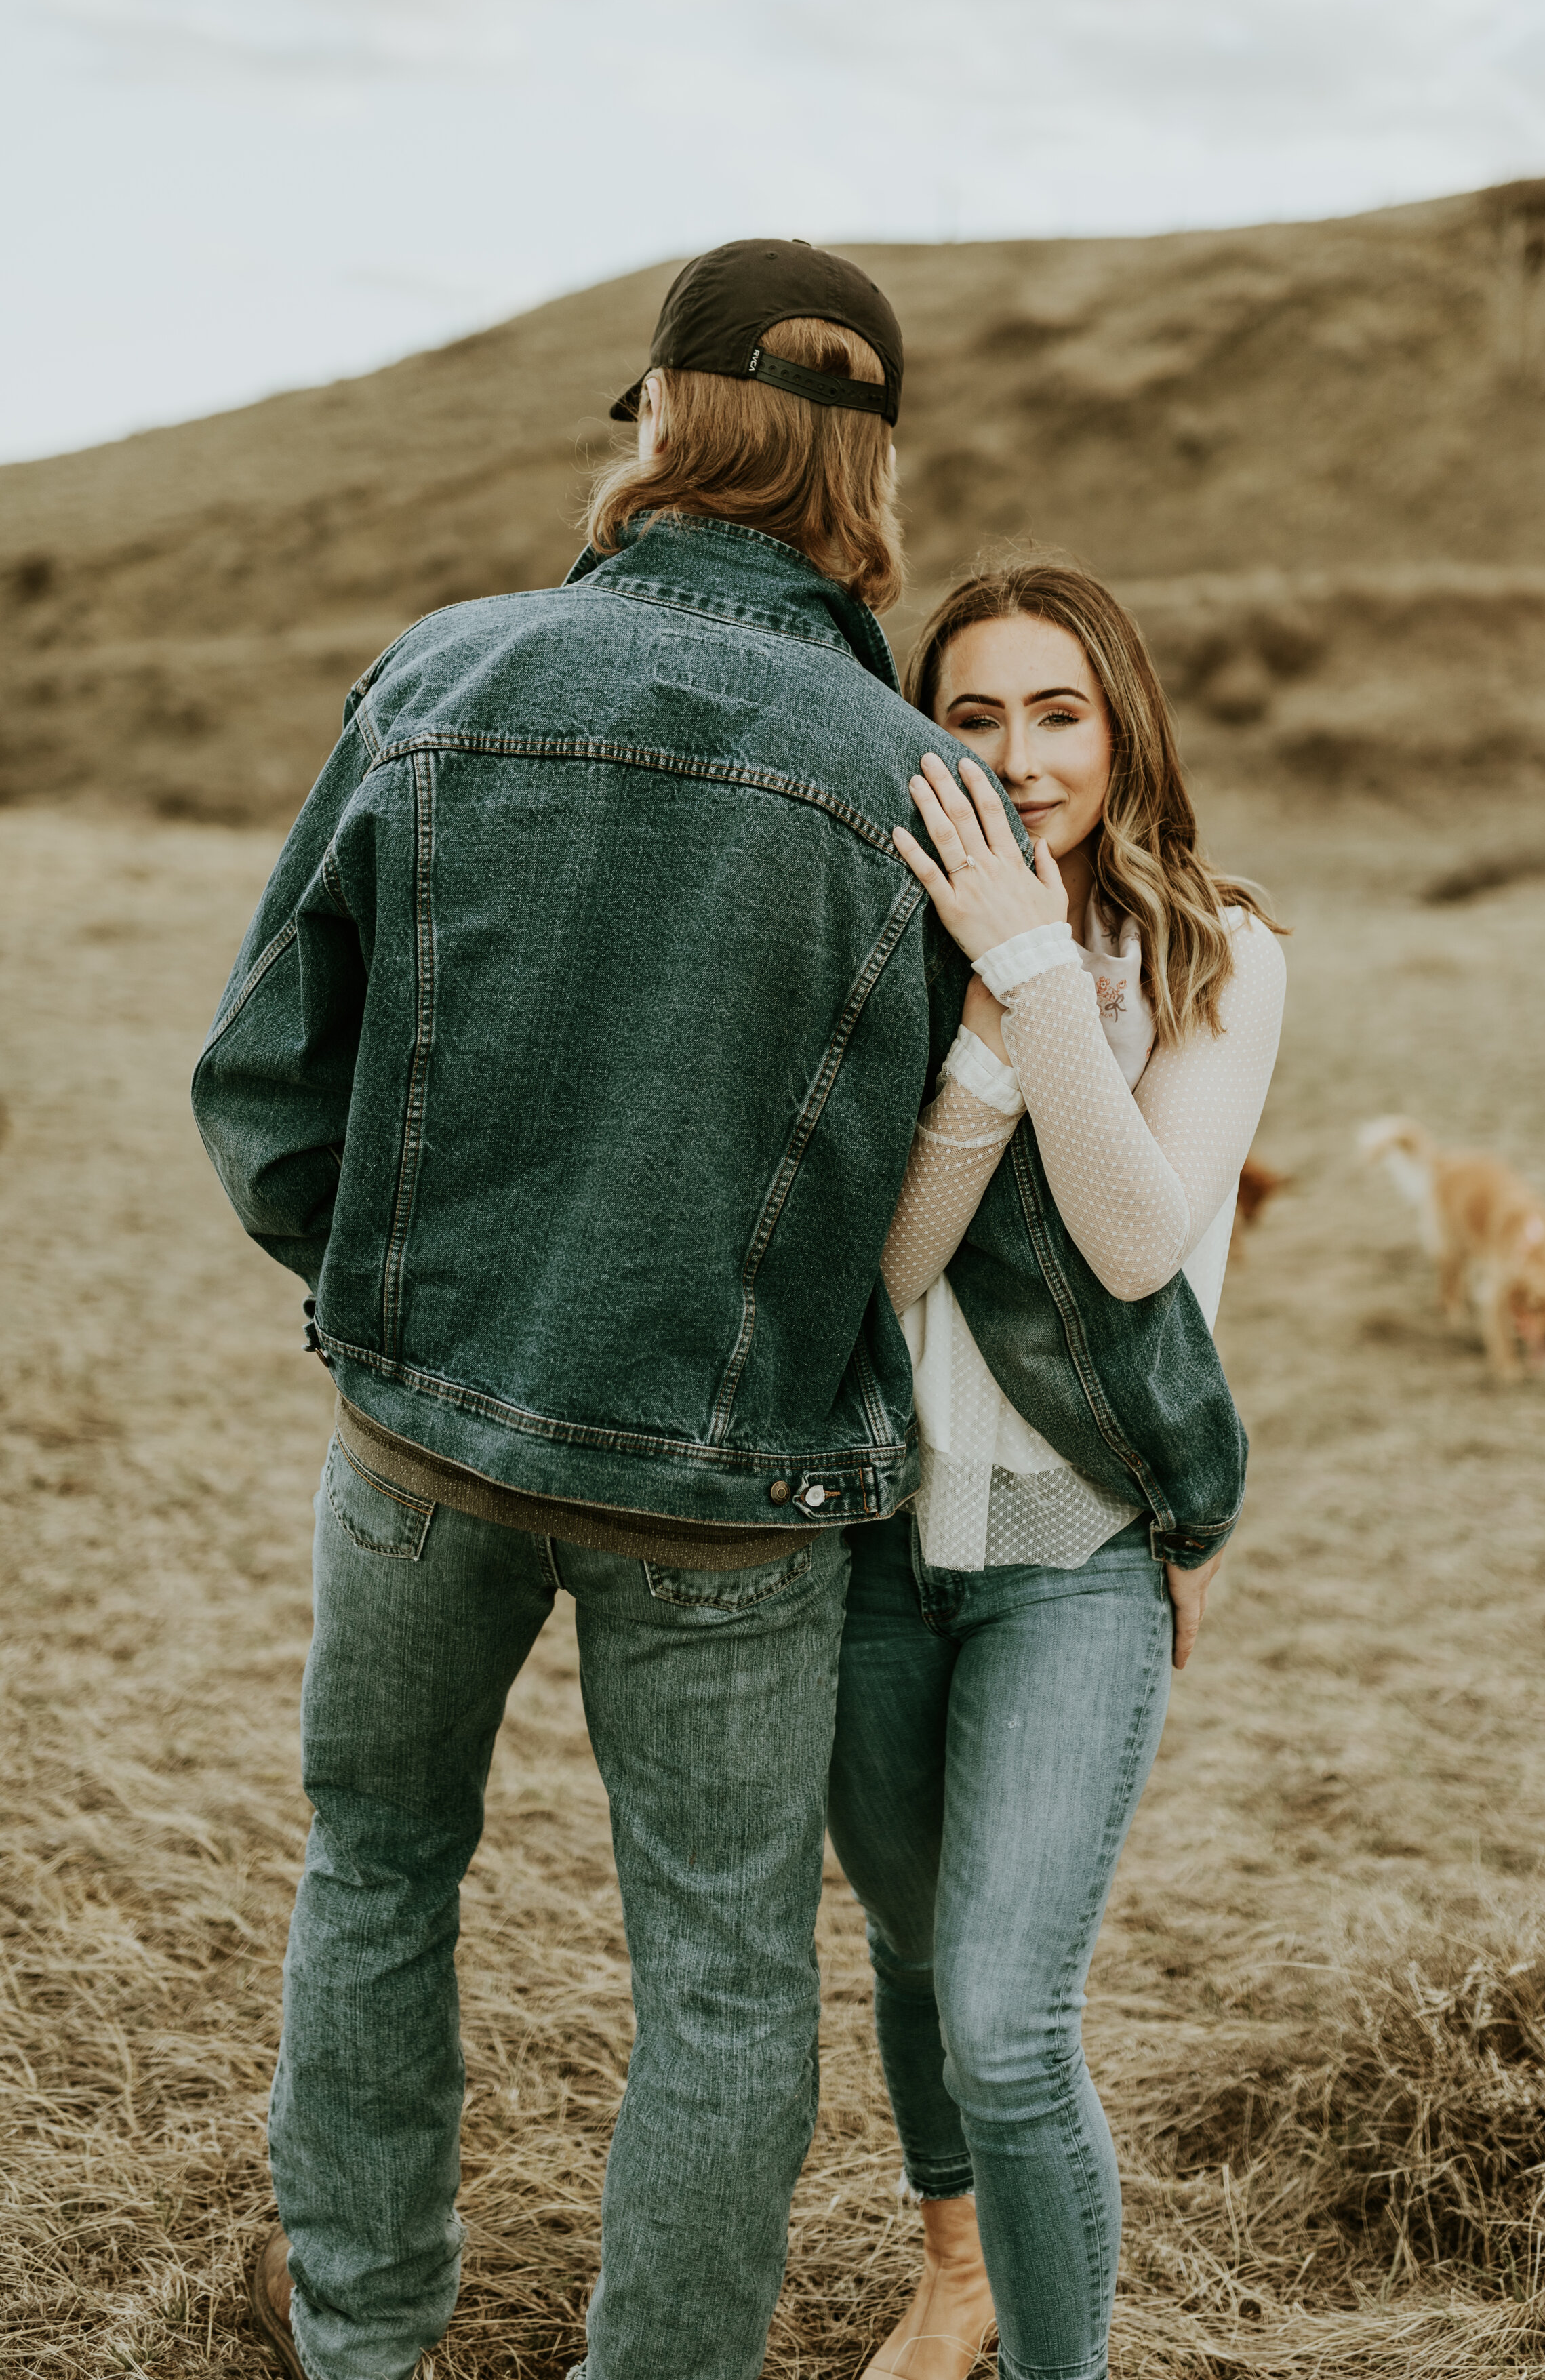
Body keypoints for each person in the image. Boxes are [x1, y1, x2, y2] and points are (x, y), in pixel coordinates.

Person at [192, 240, 991, 2380]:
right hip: (741, 1499)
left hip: (419, 1442)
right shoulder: (927, 788)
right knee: (725, 1976)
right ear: (866, 474)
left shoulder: (439, 678)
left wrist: (401, 1304)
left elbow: (263, 1078)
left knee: (376, 1867)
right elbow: (955, 1185)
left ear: (659, 425)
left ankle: (362, 2340)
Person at [826, 562, 1287, 2380]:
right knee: (916, 1950)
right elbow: (878, 1275)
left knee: (1010, 2023)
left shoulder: (1217, 951)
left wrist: (1029, 975)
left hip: (1076, 1543)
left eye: (1057, 711)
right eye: (969, 713)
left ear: (1121, 724)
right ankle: (956, 2269)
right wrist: (975, 1052)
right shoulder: (869, 917)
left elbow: (1135, 1250)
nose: (1016, 758)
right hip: (862, 1527)